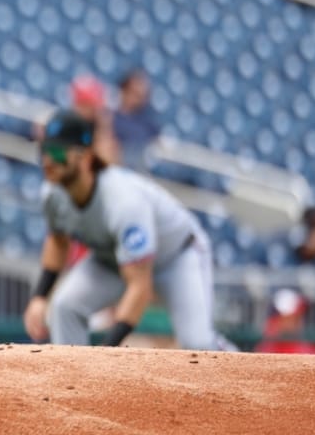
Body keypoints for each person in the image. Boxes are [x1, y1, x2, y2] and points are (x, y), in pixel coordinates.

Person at [23, 110, 228, 350]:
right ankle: (71, 383)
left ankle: (242, 367)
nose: (48, 161)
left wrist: (109, 349)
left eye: (57, 152)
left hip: (177, 256)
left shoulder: (123, 201)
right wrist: (39, 296)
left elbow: (140, 287)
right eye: (44, 152)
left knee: (198, 344)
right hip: (112, 259)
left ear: (86, 157)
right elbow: (58, 242)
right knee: (64, 306)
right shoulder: (52, 193)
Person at [109, 68, 160, 172]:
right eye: (135, 93)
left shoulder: (148, 122)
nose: (139, 99)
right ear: (123, 90)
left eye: (143, 96)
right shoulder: (109, 117)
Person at [254, 289, 315, 355]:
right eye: (291, 318)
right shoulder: (265, 349)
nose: (297, 321)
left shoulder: (310, 350)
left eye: (298, 317)